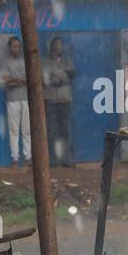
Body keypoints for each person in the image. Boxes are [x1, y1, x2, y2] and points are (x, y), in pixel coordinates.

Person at [43, 36, 76, 167]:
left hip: (65, 100)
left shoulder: (67, 61)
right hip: (50, 100)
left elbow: (70, 77)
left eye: (60, 44)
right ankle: (53, 159)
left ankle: (66, 159)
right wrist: (60, 75)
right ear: (51, 47)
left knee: (66, 131)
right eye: (56, 44)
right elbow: (44, 79)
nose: (58, 47)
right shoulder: (44, 61)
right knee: (52, 131)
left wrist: (56, 75)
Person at [2, 36, 32, 166]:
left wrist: (15, 79)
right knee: (14, 130)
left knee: (27, 130)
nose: (17, 49)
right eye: (14, 46)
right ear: (10, 48)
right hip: (12, 100)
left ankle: (28, 158)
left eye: (19, 46)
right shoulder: (5, 62)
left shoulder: (26, 61)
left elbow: (30, 80)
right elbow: (7, 82)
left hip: (26, 99)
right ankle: (15, 158)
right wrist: (21, 80)